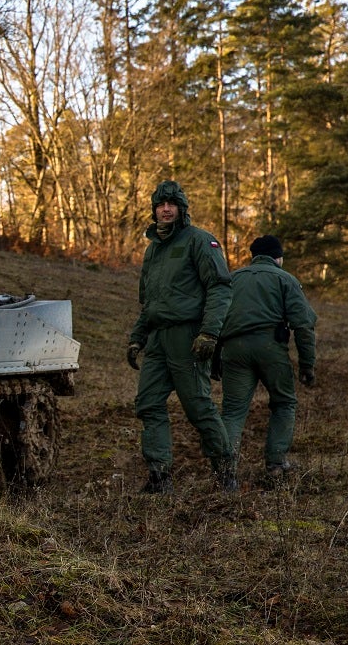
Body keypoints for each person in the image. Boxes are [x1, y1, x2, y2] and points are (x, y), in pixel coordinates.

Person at [126, 180, 235, 493]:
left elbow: (220, 287)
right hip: (158, 339)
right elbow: (151, 301)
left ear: (182, 208)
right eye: (160, 204)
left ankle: (226, 470)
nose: (165, 209)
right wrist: (138, 337)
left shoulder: (199, 241)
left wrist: (209, 333)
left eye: (172, 204)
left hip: (189, 337)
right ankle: (160, 476)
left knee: (198, 406)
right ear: (154, 209)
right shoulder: (154, 251)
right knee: (148, 404)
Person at [218, 235, 317, 487]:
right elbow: (304, 325)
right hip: (270, 347)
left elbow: (215, 317)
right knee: (284, 403)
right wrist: (307, 364)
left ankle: (226, 471)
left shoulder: (233, 278)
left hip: (234, 349)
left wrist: (216, 359)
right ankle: (275, 464)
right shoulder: (285, 279)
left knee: (232, 411)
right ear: (278, 257)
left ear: (254, 256)